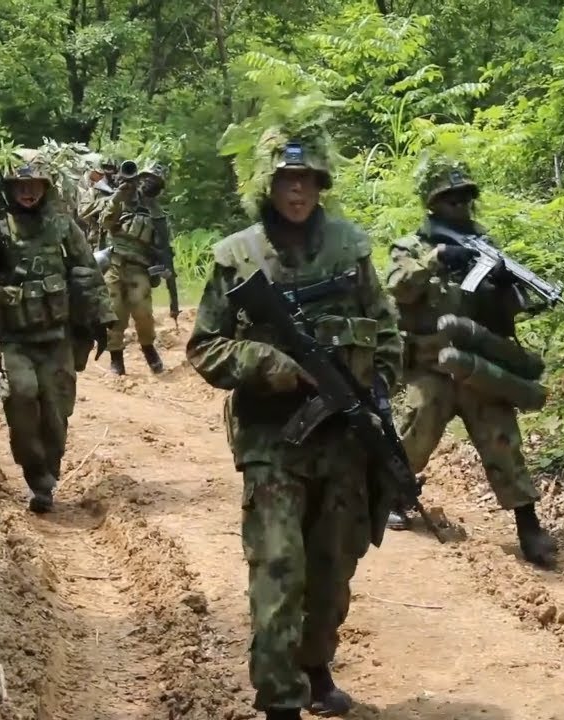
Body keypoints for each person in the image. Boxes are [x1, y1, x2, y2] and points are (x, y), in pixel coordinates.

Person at [186, 127, 401, 720]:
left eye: (306, 179)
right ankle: (280, 700)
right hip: (272, 441)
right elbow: (205, 347)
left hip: (343, 441)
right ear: (269, 185)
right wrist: (270, 363)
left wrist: (377, 395)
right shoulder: (239, 256)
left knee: (332, 572)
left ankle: (314, 664)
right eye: (285, 179)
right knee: (279, 570)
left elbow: (384, 330)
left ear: (320, 183)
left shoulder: (350, 249)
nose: (297, 189)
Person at [383, 158, 558, 568]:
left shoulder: (487, 247)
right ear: (432, 205)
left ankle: (528, 524)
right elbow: (397, 287)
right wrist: (438, 260)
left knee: (502, 439)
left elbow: (505, 318)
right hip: (430, 363)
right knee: (416, 425)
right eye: (449, 199)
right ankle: (395, 495)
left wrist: (504, 286)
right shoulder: (413, 247)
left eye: (465, 199)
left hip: (476, 364)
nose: (459, 207)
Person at [0, 149, 114, 512]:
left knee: (55, 412)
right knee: (20, 398)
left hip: (57, 334)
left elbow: (88, 273)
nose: (28, 192)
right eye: (21, 185)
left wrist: (103, 321)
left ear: (46, 188)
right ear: (10, 188)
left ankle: (50, 474)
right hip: (15, 337)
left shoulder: (62, 225)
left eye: (35, 185)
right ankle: (36, 477)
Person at [94, 161, 170, 375]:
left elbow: (162, 244)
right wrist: (118, 198)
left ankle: (148, 348)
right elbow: (105, 223)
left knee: (143, 312)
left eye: (153, 183)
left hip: (139, 267)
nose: (147, 185)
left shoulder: (156, 213)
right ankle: (116, 357)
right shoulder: (119, 200)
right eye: (144, 180)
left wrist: (163, 267)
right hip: (115, 262)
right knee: (114, 312)